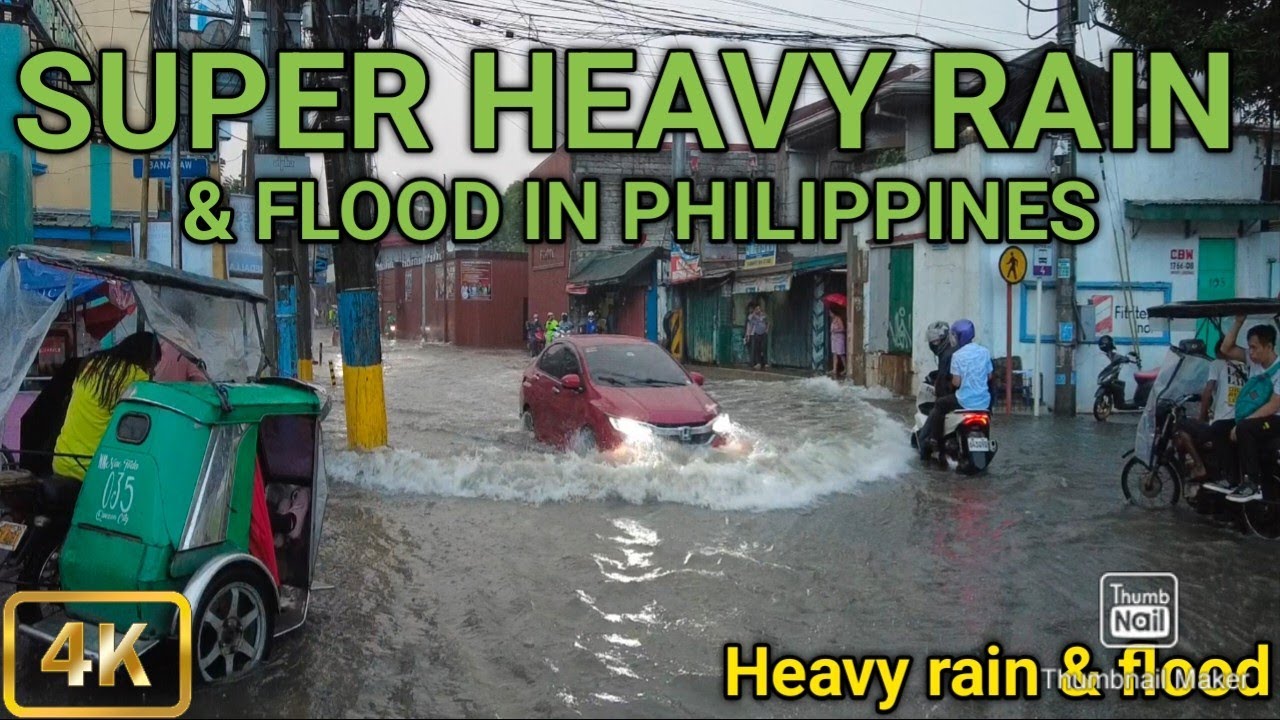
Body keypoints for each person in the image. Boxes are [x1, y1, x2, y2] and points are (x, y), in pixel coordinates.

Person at [52, 331, 161, 481]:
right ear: (145, 359)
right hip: (92, 470)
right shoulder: (137, 378)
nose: (153, 371)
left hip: (61, 460)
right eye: (153, 365)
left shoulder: (91, 364)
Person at [1210, 316, 1280, 502]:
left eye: (1255, 347)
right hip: (1255, 417)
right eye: (1249, 347)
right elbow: (1226, 349)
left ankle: (1253, 484)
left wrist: (1245, 422)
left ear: (1269, 347)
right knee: (1217, 428)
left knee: (1244, 428)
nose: (1251, 352)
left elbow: (1274, 404)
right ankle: (1232, 478)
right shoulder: (1254, 361)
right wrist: (1238, 322)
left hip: (1275, 419)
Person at [924, 319, 992, 464]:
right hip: (984, 402)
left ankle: (935, 440)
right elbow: (989, 376)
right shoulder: (985, 352)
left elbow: (956, 382)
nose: (952, 338)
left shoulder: (957, 356)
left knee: (940, 405)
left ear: (960, 336)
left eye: (954, 335)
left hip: (964, 400)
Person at [1173, 353, 1245, 484]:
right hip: (1241, 420)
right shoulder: (1246, 365)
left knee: (1182, 426)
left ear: (1219, 352)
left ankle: (1199, 467)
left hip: (1223, 423)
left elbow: (1208, 391)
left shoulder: (1217, 364)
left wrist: (1201, 417)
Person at [917, 321, 956, 462]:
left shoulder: (947, 355)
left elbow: (947, 382)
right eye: (933, 341)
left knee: (923, 438)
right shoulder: (956, 352)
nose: (934, 344)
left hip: (955, 399)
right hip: (977, 402)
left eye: (936, 340)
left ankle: (933, 442)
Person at [744, 303, 769, 370]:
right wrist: (748, 335)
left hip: (763, 333)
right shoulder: (752, 317)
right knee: (757, 349)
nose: (758, 310)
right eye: (756, 309)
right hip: (756, 334)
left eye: (759, 309)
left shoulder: (763, 316)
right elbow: (750, 325)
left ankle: (765, 363)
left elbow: (767, 323)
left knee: (763, 348)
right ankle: (758, 363)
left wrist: (766, 330)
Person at [829, 307, 846, 379]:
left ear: (833, 312)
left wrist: (835, 331)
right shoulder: (833, 320)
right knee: (835, 354)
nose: (829, 314)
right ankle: (834, 369)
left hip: (839, 338)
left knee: (841, 353)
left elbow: (843, 329)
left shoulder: (838, 319)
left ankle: (846, 368)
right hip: (834, 338)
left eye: (830, 313)